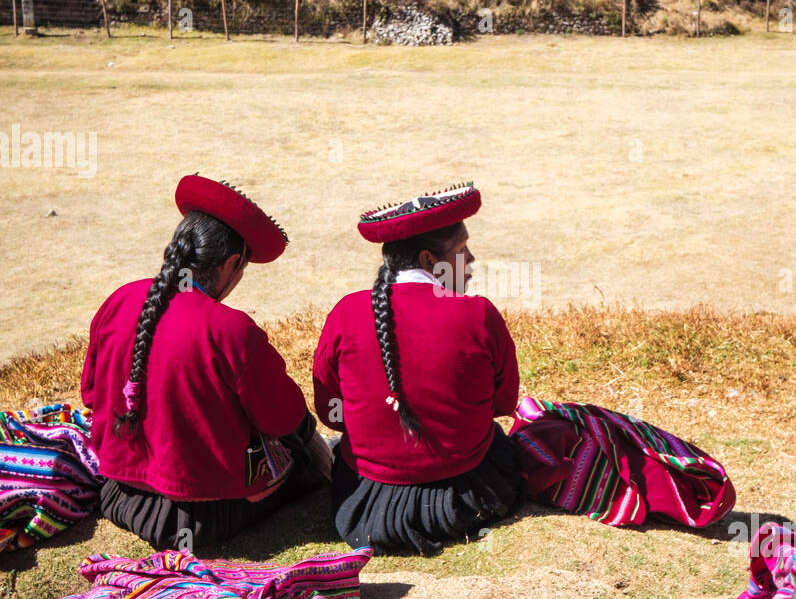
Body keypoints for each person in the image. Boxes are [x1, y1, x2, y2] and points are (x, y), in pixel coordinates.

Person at [81, 174, 327, 551]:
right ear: (231, 264)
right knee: (299, 440)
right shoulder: (231, 330)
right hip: (203, 516)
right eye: (242, 268)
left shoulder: (120, 300)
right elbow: (281, 418)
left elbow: (89, 393)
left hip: (121, 494)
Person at [313, 182, 523, 556]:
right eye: (461, 250)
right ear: (430, 261)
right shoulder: (479, 315)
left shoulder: (346, 313)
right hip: (467, 494)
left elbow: (332, 412)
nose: (472, 259)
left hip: (368, 501)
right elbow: (503, 404)